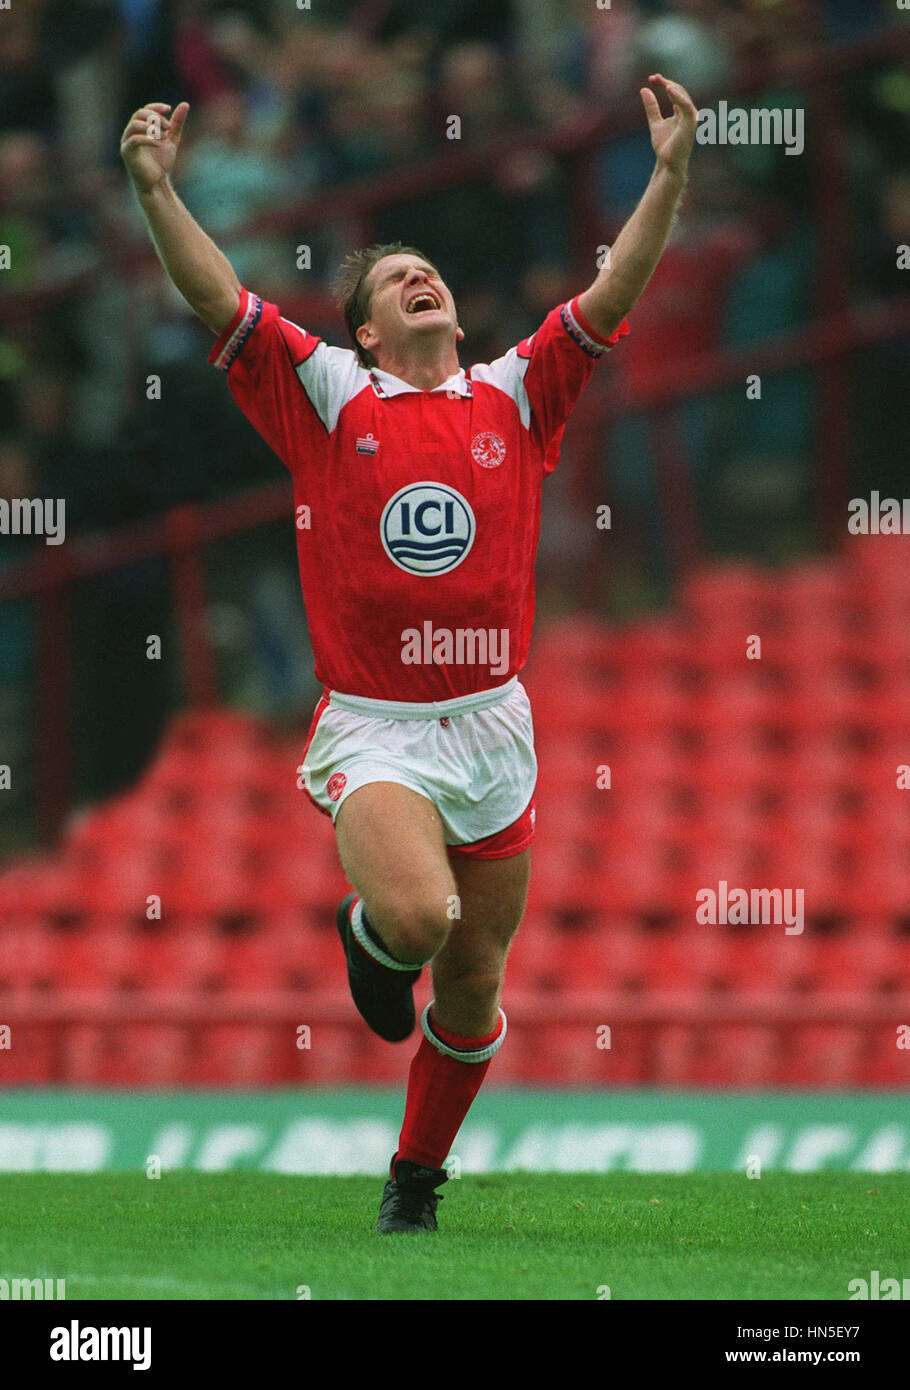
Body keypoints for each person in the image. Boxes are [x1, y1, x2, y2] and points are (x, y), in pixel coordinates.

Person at [120, 74, 697, 1232]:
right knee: (425, 923)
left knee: (477, 982)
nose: (416, 276)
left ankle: (413, 1182)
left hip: (493, 720)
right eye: (390, 280)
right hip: (378, 722)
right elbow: (218, 298)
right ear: (367, 330)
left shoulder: (517, 390)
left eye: (423, 267)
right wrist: (153, 190)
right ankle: (370, 933)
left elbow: (612, 289)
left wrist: (671, 172)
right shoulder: (328, 395)